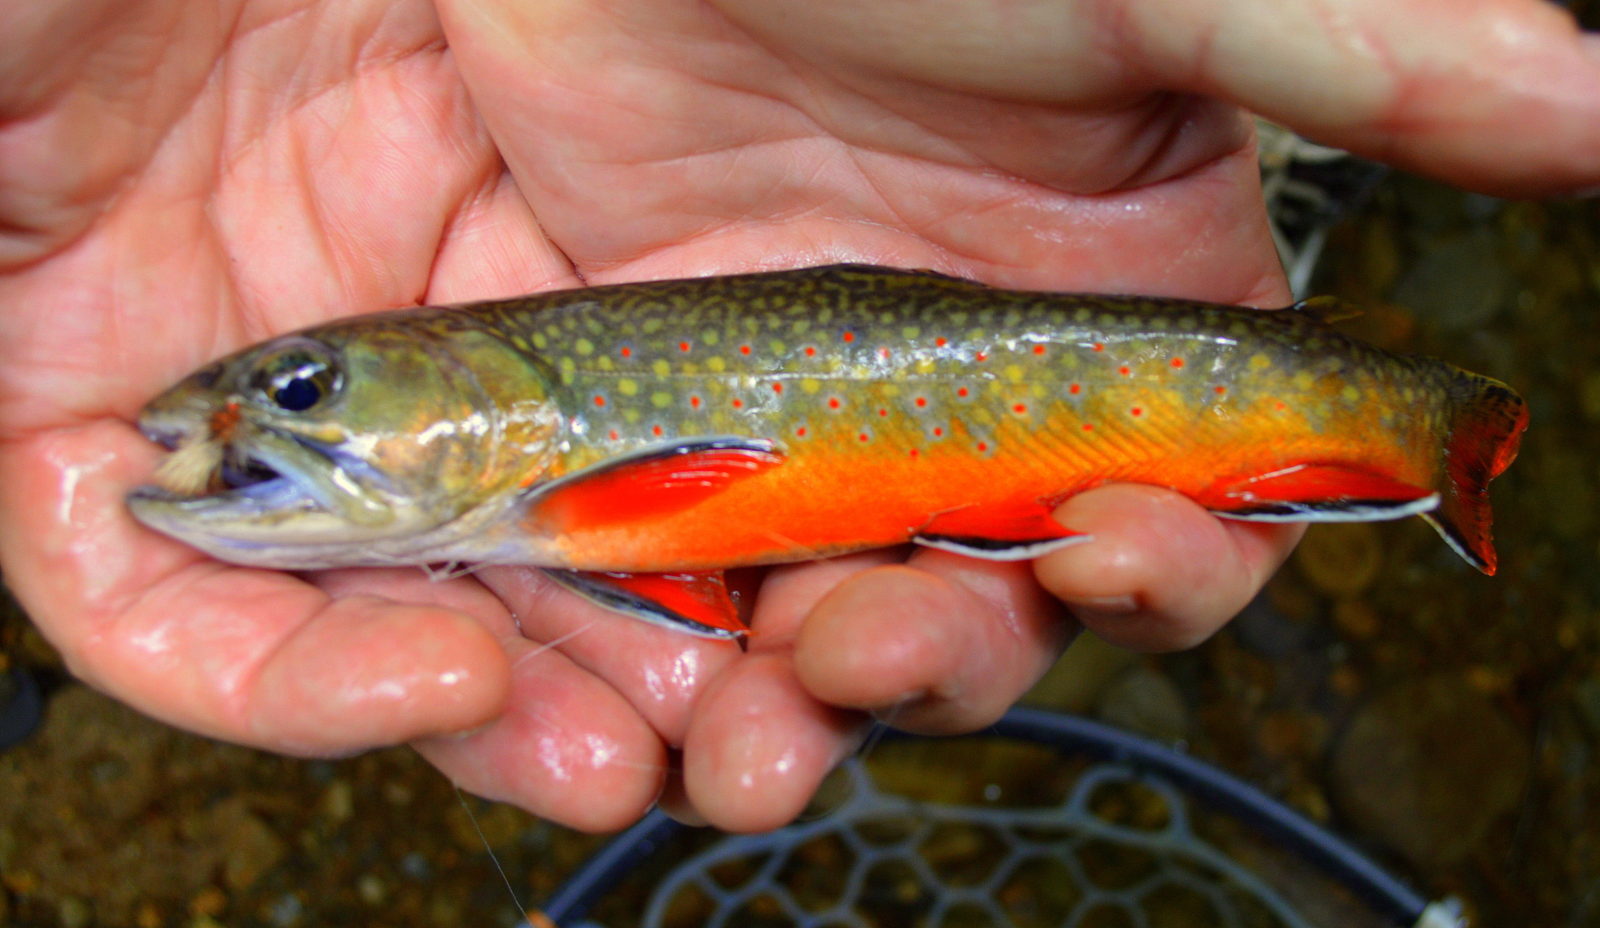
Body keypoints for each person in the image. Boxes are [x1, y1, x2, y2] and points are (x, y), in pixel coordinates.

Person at [0, 0, 1594, 834]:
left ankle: (1409, 430)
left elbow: (675, 531)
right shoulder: (555, 490)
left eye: (298, 391)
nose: (262, 420)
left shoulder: (563, 492)